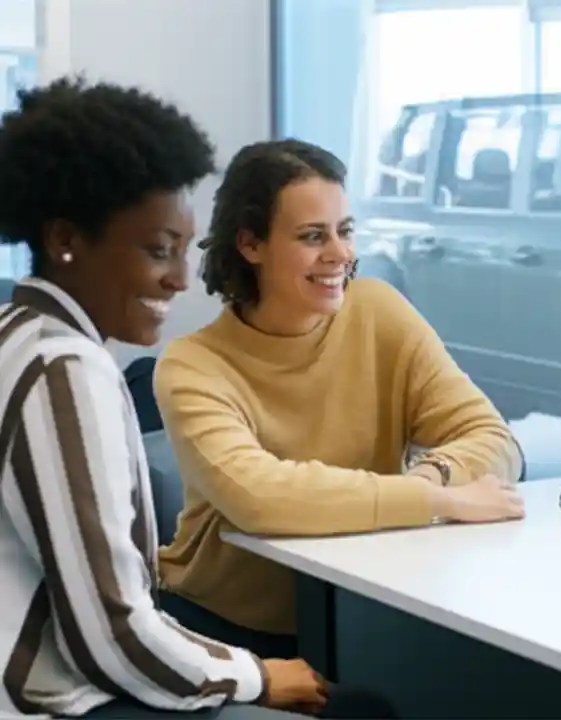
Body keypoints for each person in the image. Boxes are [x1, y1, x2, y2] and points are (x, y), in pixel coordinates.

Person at [0, 77, 325, 718]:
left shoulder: (16, 329)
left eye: (183, 251)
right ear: (66, 239)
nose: (180, 279)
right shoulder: (64, 367)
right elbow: (114, 636)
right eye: (157, 251)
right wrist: (257, 675)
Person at [153, 138, 525, 658]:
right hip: (222, 630)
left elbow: (495, 442)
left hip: (365, 607)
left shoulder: (378, 311)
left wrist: (427, 477)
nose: (341, 254)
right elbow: (262, 498)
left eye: (345, 231)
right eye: (312, 236)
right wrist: (440, 500)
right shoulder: (192, 365)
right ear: (250, 244)